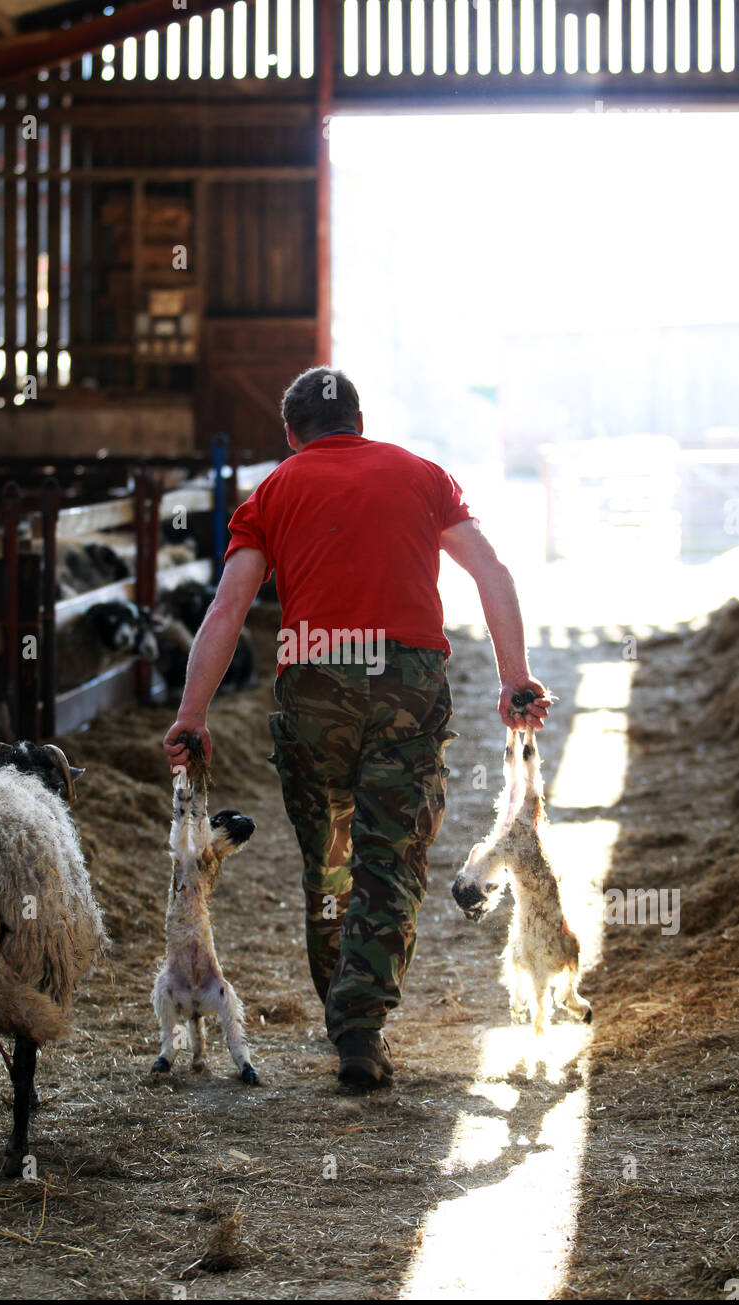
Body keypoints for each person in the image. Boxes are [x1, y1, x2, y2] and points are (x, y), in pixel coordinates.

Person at [164, 366, 550, 1090]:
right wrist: (514, 678)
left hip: (313, 685)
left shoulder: (273, 492)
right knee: (390, 858)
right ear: (361, 423)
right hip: (406, 682)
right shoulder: (422, 476)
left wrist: (192, 716)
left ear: (291, 433)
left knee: (331, 863)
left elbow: (227, 610)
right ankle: (361, 1025)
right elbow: (491, 572)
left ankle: (348, 1022)